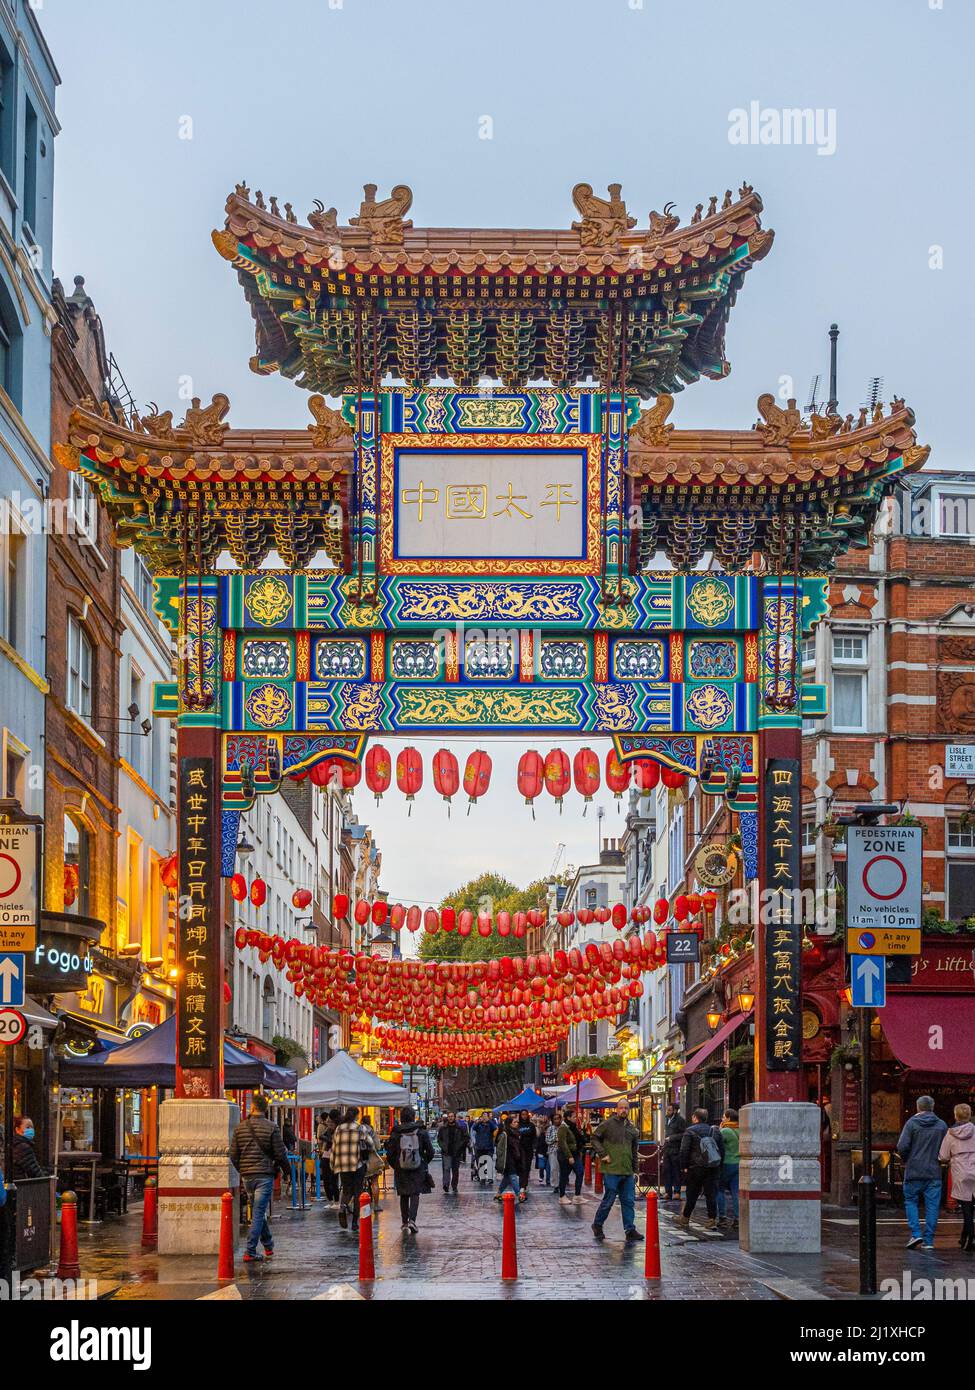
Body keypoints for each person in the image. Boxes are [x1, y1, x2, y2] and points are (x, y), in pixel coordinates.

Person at [229, 1094, 289, 1263]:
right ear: (265, 1108)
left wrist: (242, 1169)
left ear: (252, 1107)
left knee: (257, 1210)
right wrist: (285, 1170)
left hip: (247, 1176)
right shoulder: (272, 1127)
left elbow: (233, 1154)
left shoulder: (240, 1128)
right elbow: (280, 1153)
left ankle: (268, 1245)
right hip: (264, 1175)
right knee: (258, 1211)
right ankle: (250, 1250)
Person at [897, 1094, 948, 1250]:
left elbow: (902, 1146)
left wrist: (907, 1159)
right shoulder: (941, 1125)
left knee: (911, 1201)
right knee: (932, 1206)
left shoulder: (911, 1123)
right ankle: (929, 1240)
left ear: (918, 1107)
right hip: (934, 1171)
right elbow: (945, 1148)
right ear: (932, 1107)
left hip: (913, 1170)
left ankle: (916, 1233)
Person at [591, 1097, 643, 1243]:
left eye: (626, 1108)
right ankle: (597, 1224)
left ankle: (630, 1229)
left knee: (628, 1201)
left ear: (629, 1110)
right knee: (609, 1200)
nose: (623, 1110)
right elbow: (594, 1138)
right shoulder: (608, 1124)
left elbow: (634, 1151)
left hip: (627, 1171)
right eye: (621, 1108)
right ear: (616, 1108)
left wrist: (635, 1170)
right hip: (612, 1169)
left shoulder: (632, 1129)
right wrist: (603, 1154)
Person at [386, 1105, 434, 1234]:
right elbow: (430, 1151)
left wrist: (396, 1165)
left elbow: (390, 1153)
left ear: (401, 1117)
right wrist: (423, 1162)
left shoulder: (396, 1132)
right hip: (417, 1167)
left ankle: (404, 1222)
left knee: (403, 1194)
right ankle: (413, 1220)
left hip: (401, 1168)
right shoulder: (421, 1131)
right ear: (413, 1116)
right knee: (414, 1193)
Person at [678, 1107, 723, 1230]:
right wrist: (719, 1165)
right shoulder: (714, 1131)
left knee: (692, 1194)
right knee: (711, 1194)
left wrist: (684, 1166)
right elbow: (721, 1149)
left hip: (695, 1168)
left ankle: (685, 1218)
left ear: (695, 1118)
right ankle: (712, 1219)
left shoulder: (689, 1131)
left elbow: (684, 1150)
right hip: (712, 1166)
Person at [939, 1103, 975, 1251]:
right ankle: (964, 1237)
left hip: (960, 1170)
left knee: (966, 1208)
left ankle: (970, 1237)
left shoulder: (950, 1133)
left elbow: (943, 1156)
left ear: (956, 1115)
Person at [331, 1106, 368, 1232]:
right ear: (356, 1115)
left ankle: (343, 1206)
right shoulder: (359, 1128)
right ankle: (354, 1223)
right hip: (357, 1164)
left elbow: (334, 1147)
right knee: (358, 1192)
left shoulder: (338, 1129)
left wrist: (333, 1164)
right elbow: (370, 1144)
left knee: (347, 1190)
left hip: (342, 1164)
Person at [715, 1108, 740, 1230]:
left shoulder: (725, 1131)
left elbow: (716, 1143)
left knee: (719, 1190)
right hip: (739, 1164)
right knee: (736, 1192)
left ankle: (723, 1218)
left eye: (724, 1117)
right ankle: (738, 1219)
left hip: (726, 1164)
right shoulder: (742, 1130)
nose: (722, 1119)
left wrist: (719, 1129)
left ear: (729, 1118)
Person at [557, 1106, 586, 1204]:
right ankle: (562, 1196)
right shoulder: (563, 1127)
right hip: (566, 1155)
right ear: (568, 1118)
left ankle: (577, 1195)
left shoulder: (573, 1127)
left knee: (580, 1172)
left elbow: (578, 1139)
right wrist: (569, 1156)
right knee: (564, 1175)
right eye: (574, 1117)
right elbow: (563, 1143)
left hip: (575, 1153)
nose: (575, 1118)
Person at [437, 1111, 469, 1194]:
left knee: (455, 1170)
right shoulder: (443, 1128)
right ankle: (446, 1185)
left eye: (452, 1116)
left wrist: (460, 1147)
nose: (450, 1118)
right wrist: (443, 1147)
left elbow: (466, 1138)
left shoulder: (460, 1128)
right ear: (447, 1118)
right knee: (446, 1169)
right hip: (446, 1152)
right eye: (449, 1116)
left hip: (456, 1152)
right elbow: (439, 1139)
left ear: (454, 1117)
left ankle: (454, 1186)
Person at [316, 1107, 341, 1208]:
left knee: (333, 1179)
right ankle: (330, 1200)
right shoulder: (328, 1129)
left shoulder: (339, 1129)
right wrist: (328, 1138)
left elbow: (334, 1141)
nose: (329, 1123)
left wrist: (329, 1139)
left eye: (331, 1122)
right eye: (328, 1121)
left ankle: (336, 1201)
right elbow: (321, 1136)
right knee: (326, 1179)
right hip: (326, 1155)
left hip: (334, 1155)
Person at [661, 1103, 686, 1202]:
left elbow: (684, 1134)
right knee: (667, 1171)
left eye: (670, 1110)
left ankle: (677, 1192)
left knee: (676, 1171)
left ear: (675, 1111)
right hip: (667, 1149)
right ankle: (668, 1192)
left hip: (676, 1149)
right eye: (667, 1110)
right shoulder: (667, 1120)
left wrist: (671, 1138)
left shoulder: (680, 1120)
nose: (667, 1112)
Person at [495, 1115, 523, 1200]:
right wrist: (501, 1159)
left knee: (507, 1178)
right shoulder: (505, 1134)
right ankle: (519, 1195)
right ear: (510, 1124)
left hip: (514, 1158)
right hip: (507, 1159)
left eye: (517, 1122)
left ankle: (498, 1193)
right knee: (513, 1176)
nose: (517, 1123)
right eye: (514, 1122)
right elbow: (499, 1148)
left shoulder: (516, 1133)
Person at [472, 1113, 496, 1187]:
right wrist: (479, 1121)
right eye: (483, 1116)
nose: (484, 1118)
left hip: (489, 1147)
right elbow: (474, 1128)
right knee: (481, 1163)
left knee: (489, 1162)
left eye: (486, 1116)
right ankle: (482, 1178)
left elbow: (495, 1128)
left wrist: (489, 1121)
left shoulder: (491, 1124)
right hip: (480, 1147)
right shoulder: (478, 1125)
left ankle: (490, 1178)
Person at [516, 1110, 535, 1200]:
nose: (524, 1116)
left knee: (527, 1167)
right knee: (522, 1167)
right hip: (520, 1149)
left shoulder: (531, 1125)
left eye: (525, 1114)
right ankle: (522, 1185)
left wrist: (534, 1148)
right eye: (522, 1114)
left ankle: (524, 1184)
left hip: (529, 1149)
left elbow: (534, 1137)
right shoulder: (517, 1125)